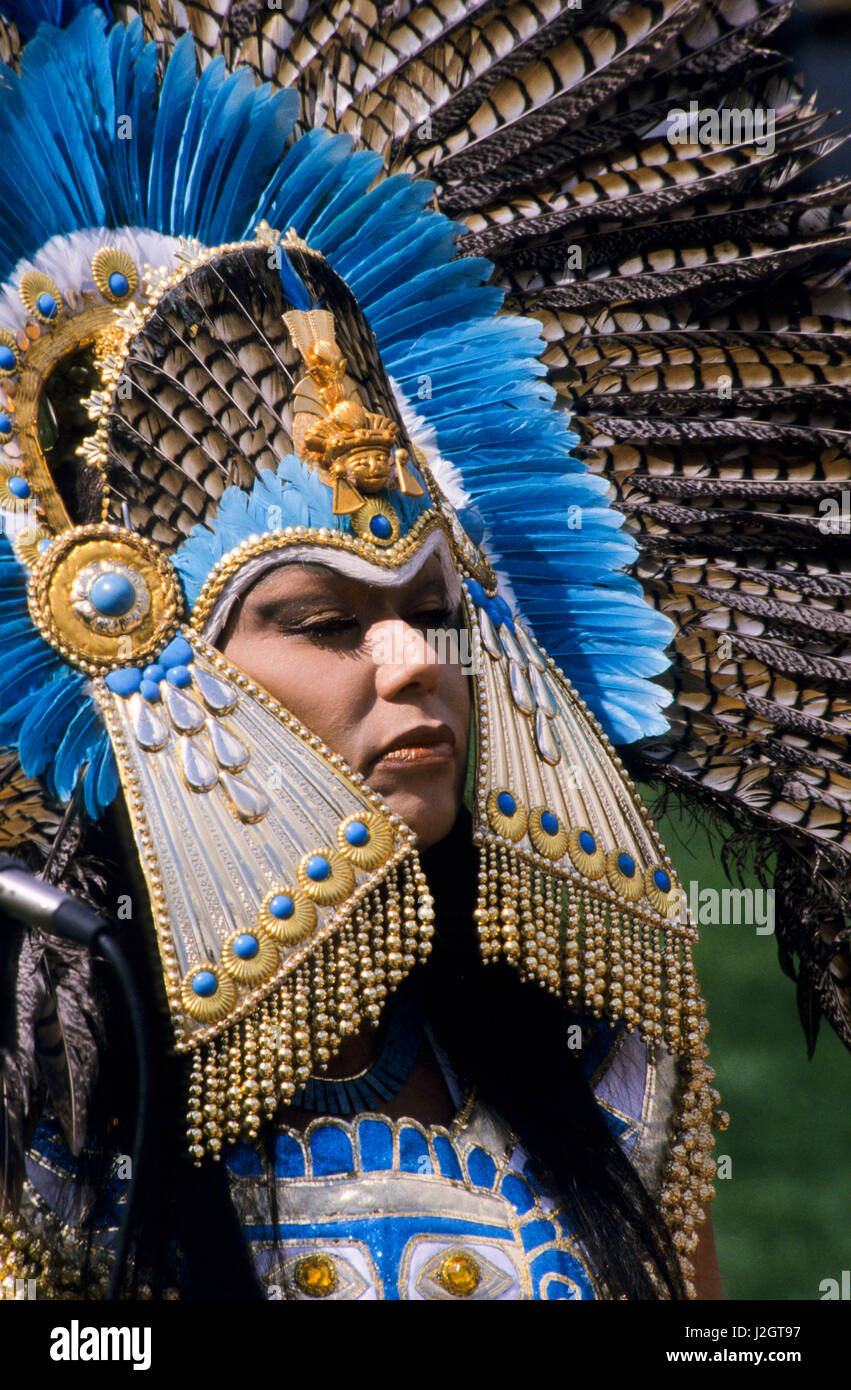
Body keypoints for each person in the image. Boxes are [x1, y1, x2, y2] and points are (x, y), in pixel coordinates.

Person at [0, 0, 846, 1304]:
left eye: (436, 610)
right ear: (140, 659)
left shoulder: (599, 1055)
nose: (413, 662)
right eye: (326, 622)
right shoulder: (46, 1114)